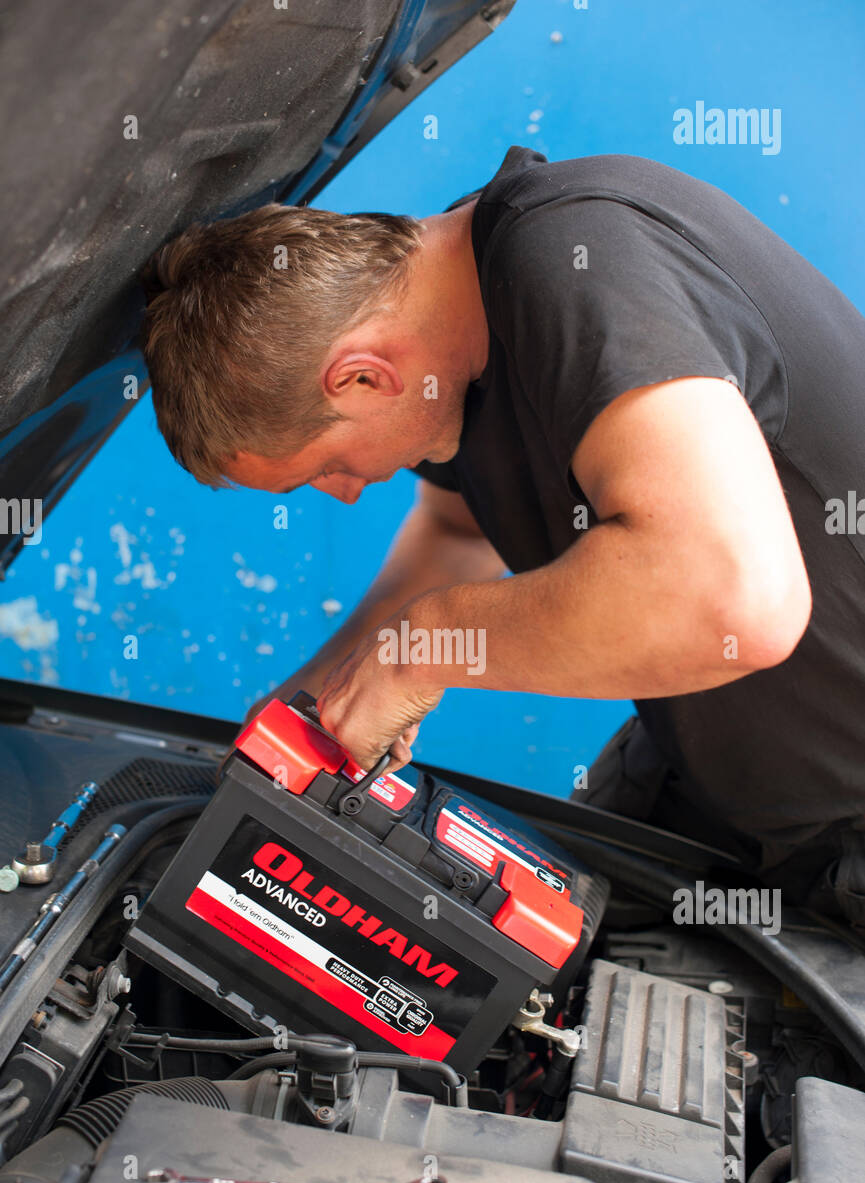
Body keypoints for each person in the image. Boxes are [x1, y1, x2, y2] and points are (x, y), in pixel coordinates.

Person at [141, 146, 865, 923]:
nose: (346, 494)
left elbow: (729, 602)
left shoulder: (577, 256)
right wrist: (308, 712)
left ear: (362, 376)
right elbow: (457, 533)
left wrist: (423, 649)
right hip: (709, 786)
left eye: (326, 467)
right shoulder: (459, 316)